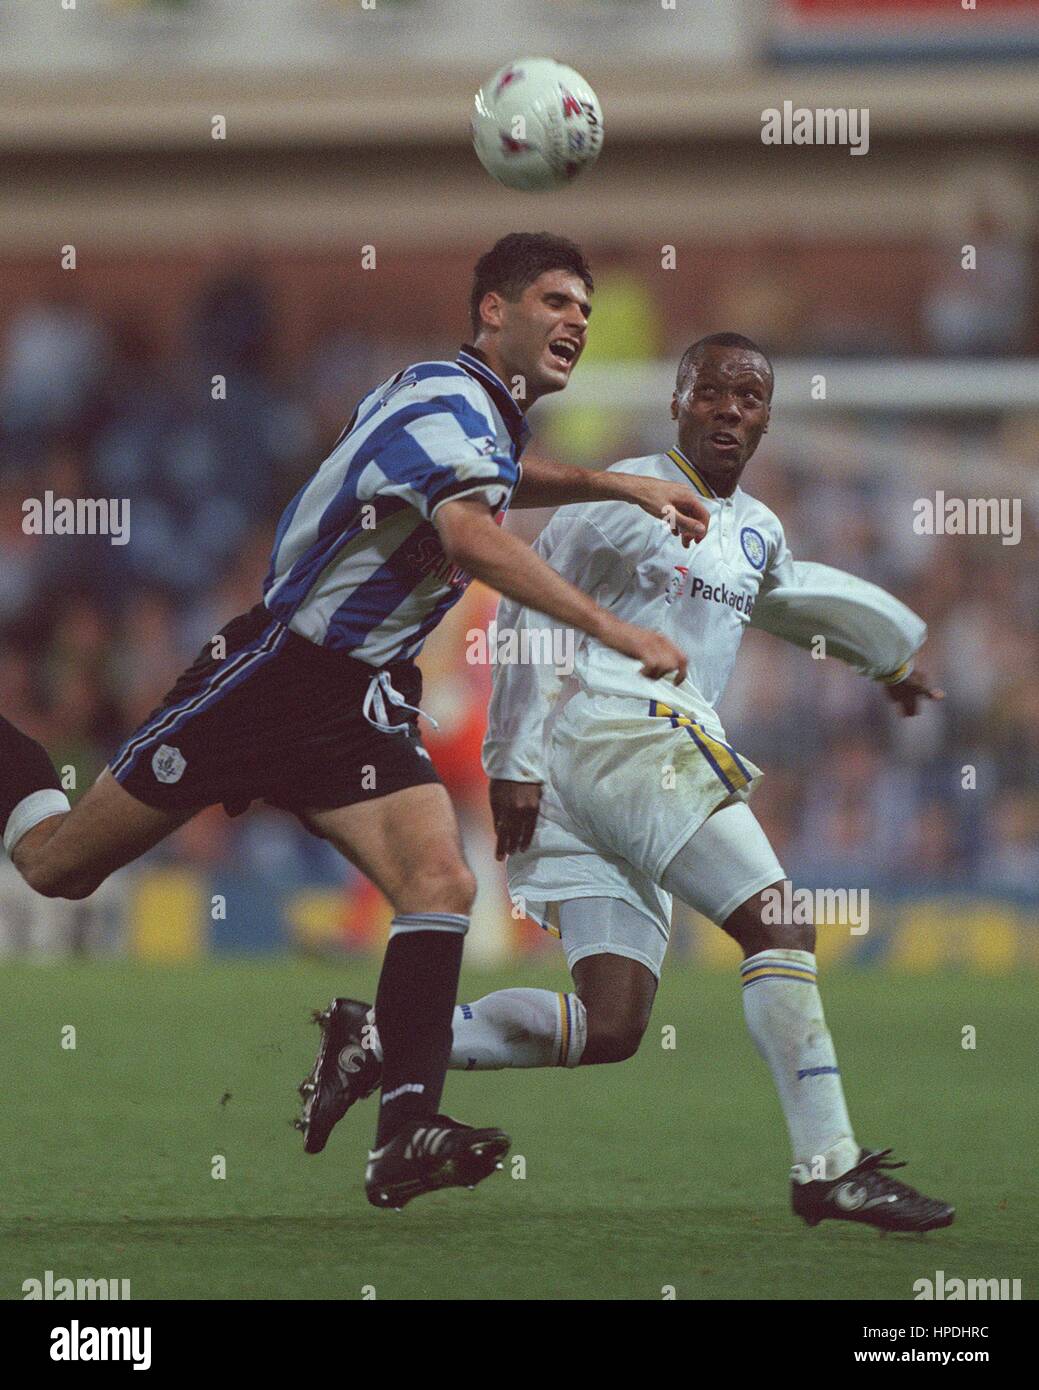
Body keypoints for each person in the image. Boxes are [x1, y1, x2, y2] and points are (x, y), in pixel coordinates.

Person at [0, 233, 712, 1212]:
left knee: (441, 880)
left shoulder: (480, 421)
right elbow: (470, 533)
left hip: (357, 699)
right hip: (274, 678)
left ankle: (404, 1133)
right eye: (555, 301)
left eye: (585, 309)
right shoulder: (442, 398)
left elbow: (501, 479)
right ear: (493, 311)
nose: (576, 322)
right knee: (56, 866)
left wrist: (617, 483)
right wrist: (609, 626)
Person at [304, 332, 955, 1232]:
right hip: (625, 740)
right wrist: (511, 760)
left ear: (766, 418)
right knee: (777, 922)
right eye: (711, 391)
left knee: (609, 1023)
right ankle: (829, 1166)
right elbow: (530, 614)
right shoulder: (620, 497)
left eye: (748, 398)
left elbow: (790, 600)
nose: (728, 410)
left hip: (610, 775)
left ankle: (378, 1039)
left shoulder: (756, 529)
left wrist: (888, 661)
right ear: (678, 401)